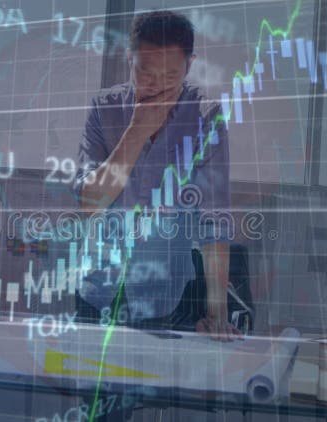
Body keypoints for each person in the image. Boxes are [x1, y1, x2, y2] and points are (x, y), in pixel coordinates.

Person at [73, 10, 241, 342]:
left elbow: (214, 222)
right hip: (98, 294)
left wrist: (217, 314)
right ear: (129, 57)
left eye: (170, 76)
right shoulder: (104, 108)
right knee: (91, 390)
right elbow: (91, 203)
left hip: (167, 301)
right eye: (146, 73)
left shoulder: (205, 118)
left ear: (190, 66)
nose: (155, 87)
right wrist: (137, 131)